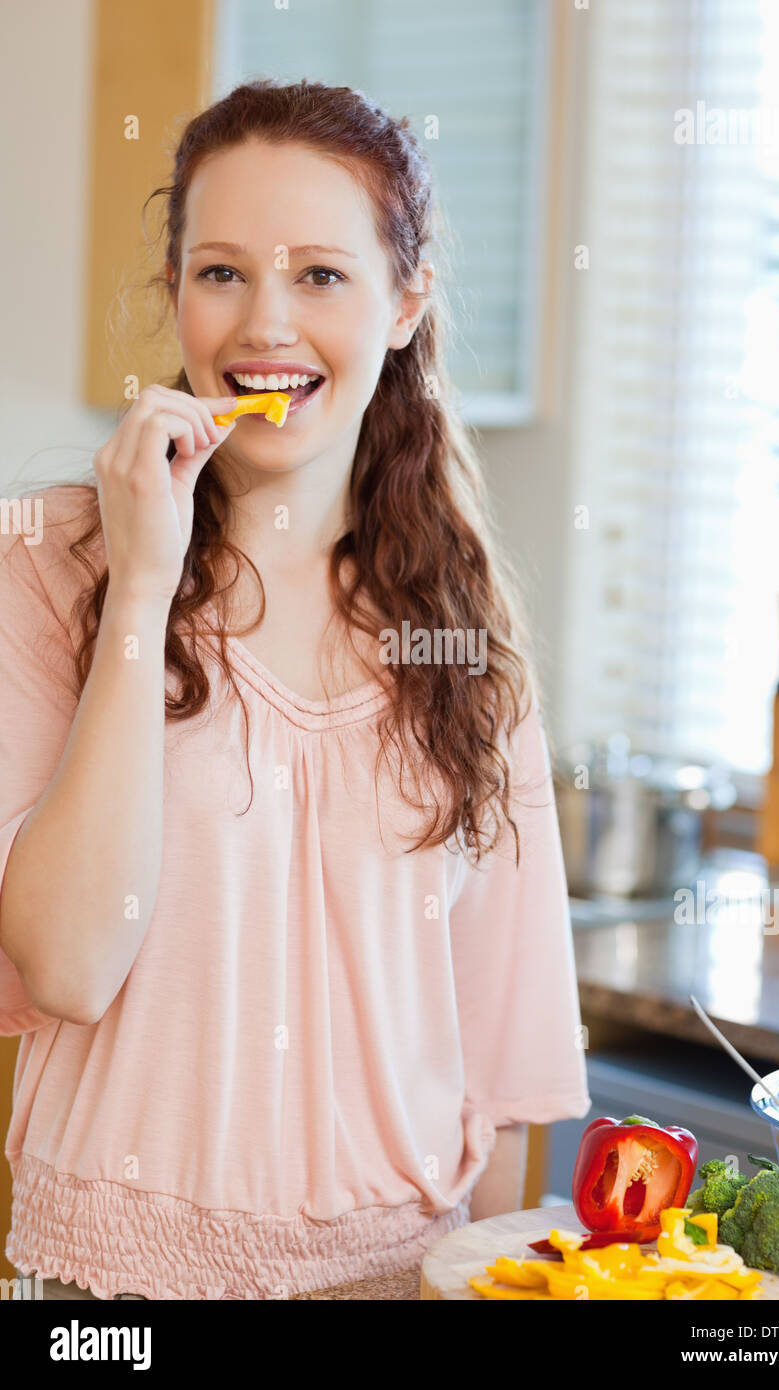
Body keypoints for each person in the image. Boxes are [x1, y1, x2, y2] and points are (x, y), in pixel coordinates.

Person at [0, 79, 590, 1301]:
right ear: (174, 296)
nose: (262, 325)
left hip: (400, 1275)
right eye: (220, 273)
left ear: (402, 301)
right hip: (106, 1299)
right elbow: (63, 960)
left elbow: (509, 1044)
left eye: (319, 274)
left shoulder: (463, 633)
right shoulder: (50, 568)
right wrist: (146, 581)